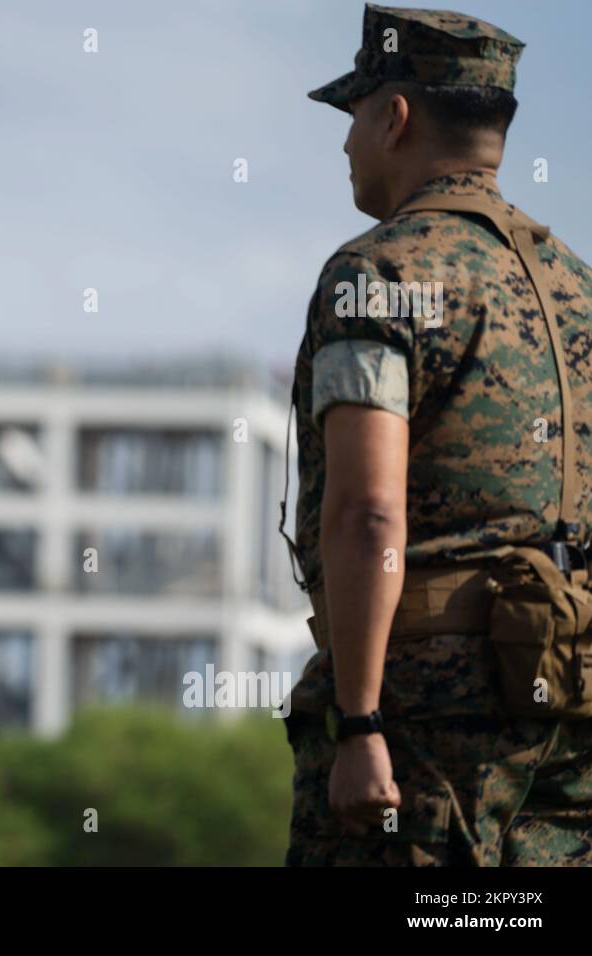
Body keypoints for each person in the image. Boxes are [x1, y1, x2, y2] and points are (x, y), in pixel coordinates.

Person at [282, 5, 592, 865]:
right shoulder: (577, 286)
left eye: (353, 118)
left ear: (395, 117)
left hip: (427, 722)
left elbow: (368, 514)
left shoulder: (380, 272)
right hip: (569, 713)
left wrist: (361, 722)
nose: (346, 145)